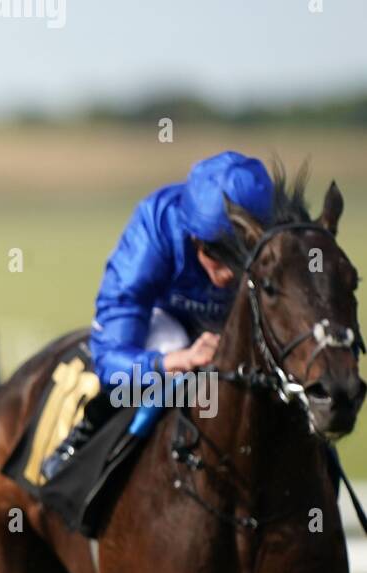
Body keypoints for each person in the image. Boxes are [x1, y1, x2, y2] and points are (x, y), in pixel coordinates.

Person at [39, 151, 274, 482]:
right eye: (216, 252)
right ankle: (86, 440)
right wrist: (173, 361)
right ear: (192, 234)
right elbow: (109, 361)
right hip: (167, 321)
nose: (229, 271)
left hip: (244, 324)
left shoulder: (284, 236)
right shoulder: (155, 229)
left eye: (243, 251)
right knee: (171, 347)